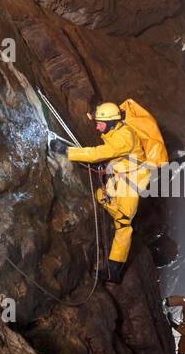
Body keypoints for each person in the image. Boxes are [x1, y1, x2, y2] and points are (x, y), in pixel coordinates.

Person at [60, 102, 150, 285]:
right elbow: (116, 153)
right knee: (101, 196)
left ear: (110, 122)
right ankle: (120, 217)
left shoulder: (123, 137)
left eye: (100, 122)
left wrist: (66, 151)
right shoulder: (114, 130)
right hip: (122, 175)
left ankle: (114, 270)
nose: (97, 126)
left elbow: (97, 153)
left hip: (131, 182)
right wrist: (109, 165)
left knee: (124, 225)